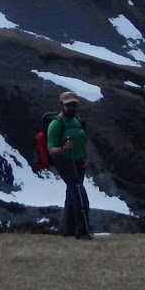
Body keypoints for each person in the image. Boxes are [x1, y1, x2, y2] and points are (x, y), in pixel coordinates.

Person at [47, 91, 93, 239]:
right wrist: (64, 149)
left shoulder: (77, 121)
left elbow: (84, 140)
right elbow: (51, 149)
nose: (72, 108)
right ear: (62, 105)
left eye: (74, 104)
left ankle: (69, 231)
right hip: (66, 163)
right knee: (80, 196)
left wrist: (87, 157)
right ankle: (82, 233)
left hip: (79, 163)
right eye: (69, 105)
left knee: (72, 196)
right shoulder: (55, 124)